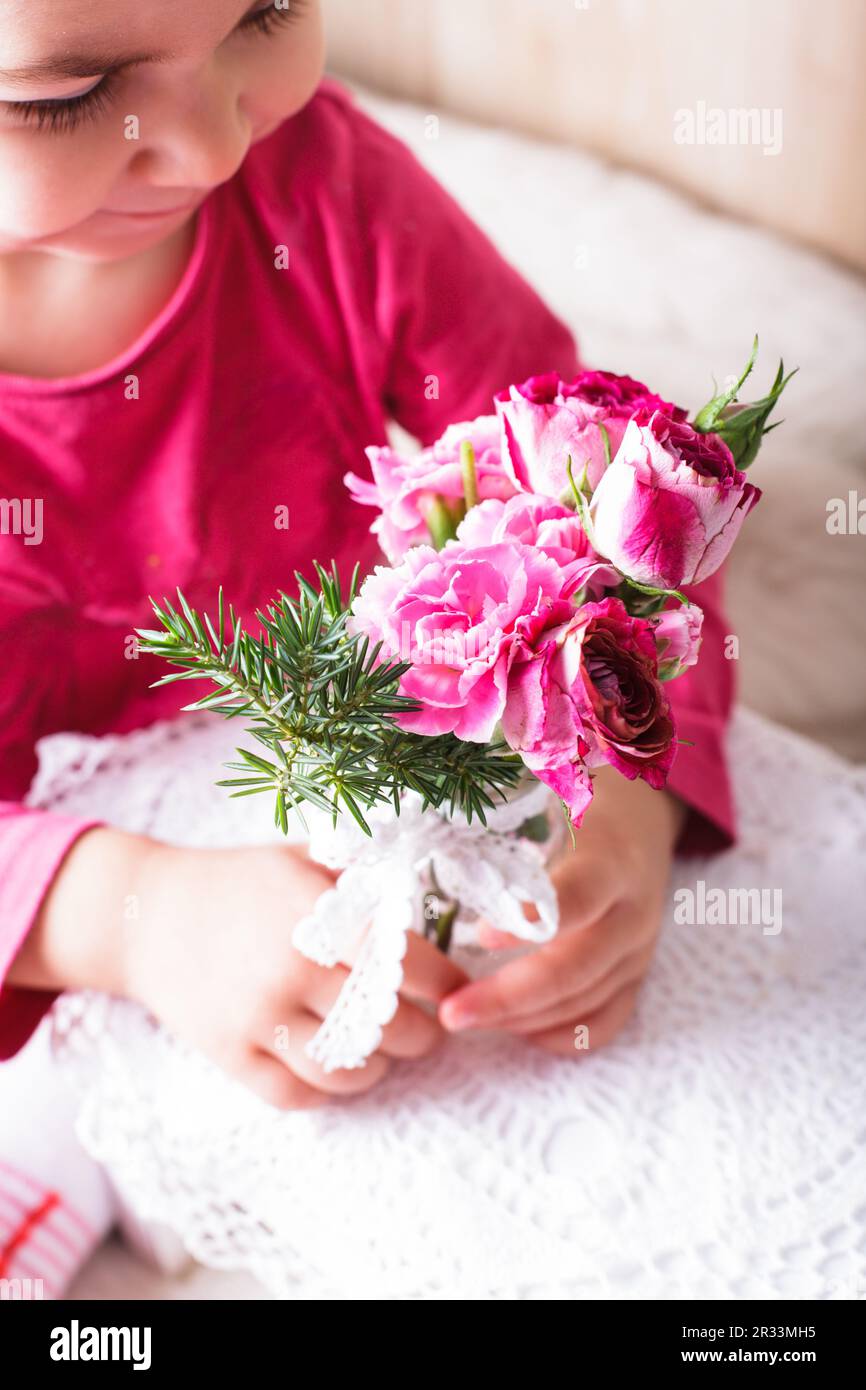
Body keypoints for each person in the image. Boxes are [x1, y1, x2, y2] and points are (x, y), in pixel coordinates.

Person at [0, 0, 734, 1292]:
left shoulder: (324, 193)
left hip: (383, 806)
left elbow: (596, 496)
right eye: (66, 97)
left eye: (265, 13)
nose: (210, 141)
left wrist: (628, 791)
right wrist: (130, 919)